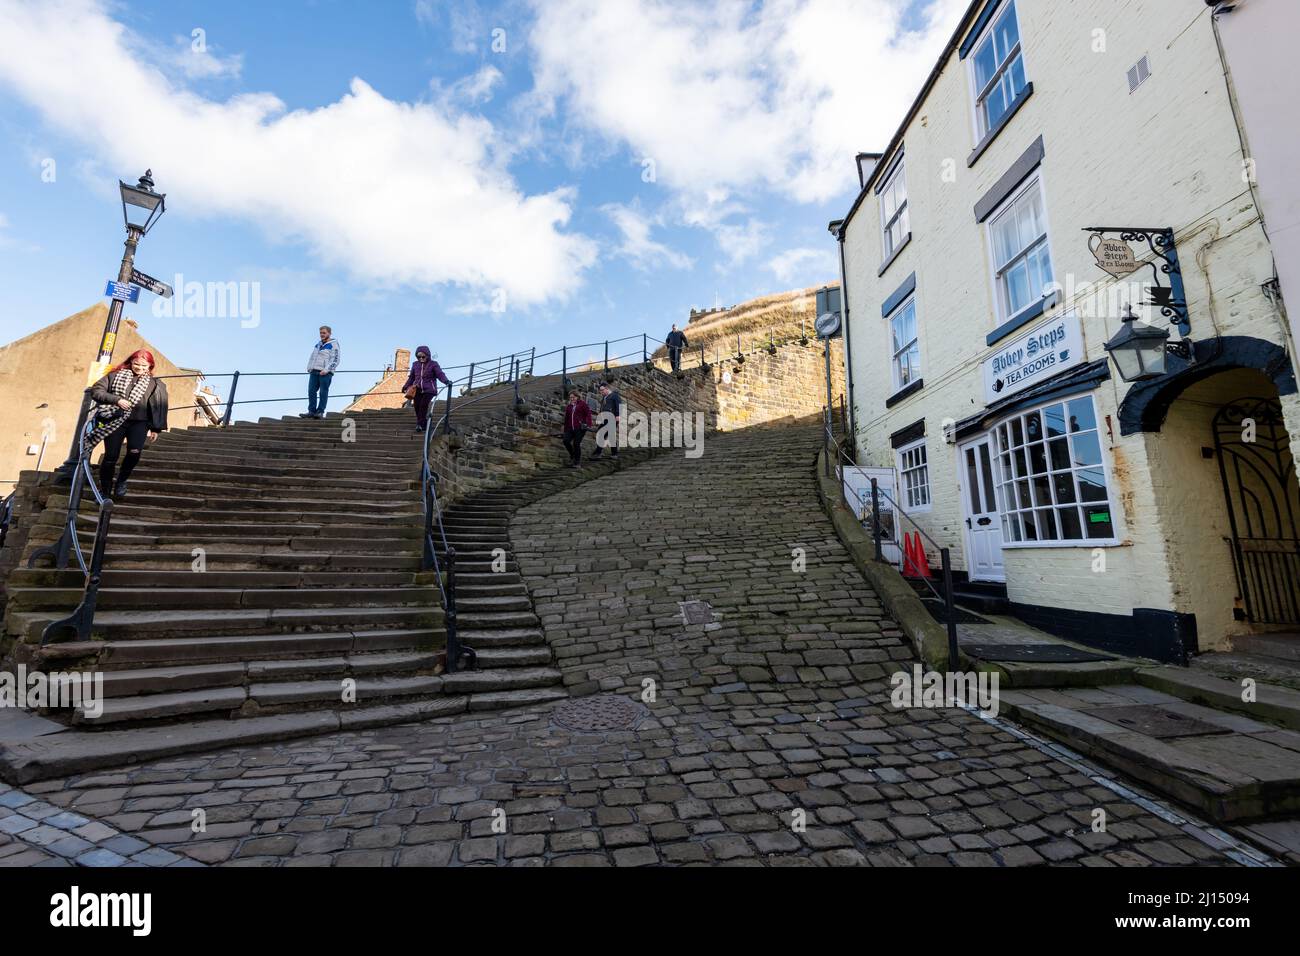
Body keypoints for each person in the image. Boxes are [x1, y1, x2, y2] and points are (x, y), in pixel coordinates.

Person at [86, 349, 169, 500]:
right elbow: (96, 390)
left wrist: (156, 428)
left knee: (134, 452)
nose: (140, 368)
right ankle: (105, 490)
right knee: (111, 456)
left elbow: (159, 406)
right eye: (137, 364)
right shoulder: (114, 375)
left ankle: (121, 481)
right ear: (131, 361)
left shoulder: (155, 383)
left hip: (139, 423)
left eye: (144, 366)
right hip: (115, 420)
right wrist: (116, 400)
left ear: (150, 366)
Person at [403, 345, 451, 434]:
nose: (421, 358)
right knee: (417, 407)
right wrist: (405, 386)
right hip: (417, 389)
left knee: (423, 406)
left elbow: (440, 374)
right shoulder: (415, 364)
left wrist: (446, 381)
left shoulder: (433, 364)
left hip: (429, 389)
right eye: (418, 357)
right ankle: (423, 424)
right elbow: (411, 377)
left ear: (427, 355)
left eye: (423, 356)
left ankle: (419, 424)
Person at [301, 325, 340, 419]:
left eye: (324, 333)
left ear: (329, 333)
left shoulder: (334, 344)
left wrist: (326, 370)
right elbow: (312, 356)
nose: (322, 335)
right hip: (314, 371)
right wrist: (309, 367)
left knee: (323, 392)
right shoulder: (318, 345)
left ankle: (320, 412)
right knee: (311, 391)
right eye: (321, 333)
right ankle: (311, 411)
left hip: (325, 373)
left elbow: (336, 359)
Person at [561, 390, 593, 467]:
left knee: (576, 444)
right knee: (566, 441)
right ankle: (573, 455)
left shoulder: (582, 404)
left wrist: (588, 424)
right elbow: (567, 418)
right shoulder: (569, 406)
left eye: (573, 397)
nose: (572, 399)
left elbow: (588, 414)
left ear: (577, 397)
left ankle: (577, 462)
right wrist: (565, 430)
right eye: (570, 397)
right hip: (570, 428)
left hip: (580, 428)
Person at [591, 382, 622, 459]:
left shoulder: (615, 396)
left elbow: (619, 405)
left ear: (607, 388)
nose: (601, 392)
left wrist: (618, 415)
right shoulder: (604, 398)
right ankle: (613, 453)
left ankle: (598, 453)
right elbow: (602, 409)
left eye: (602, 390)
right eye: (600, 391)